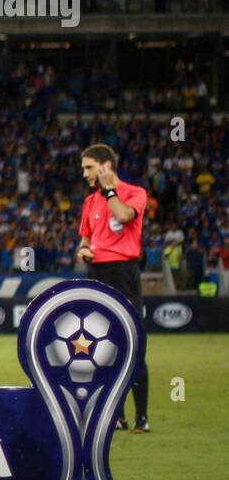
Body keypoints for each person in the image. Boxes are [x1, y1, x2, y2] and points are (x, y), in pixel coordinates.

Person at [77, 143, 149, 432]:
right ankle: (116, 416)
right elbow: (84, 239)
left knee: (132, 346)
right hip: (97, 272)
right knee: (100, 347)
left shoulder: (135, 193)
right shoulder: (89, 202)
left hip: (123, 273)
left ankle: (141, 417)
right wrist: (83, 250)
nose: (84, 174)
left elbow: (124, 216)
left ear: (106, 166)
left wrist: (109, 191)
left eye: (89, 167)